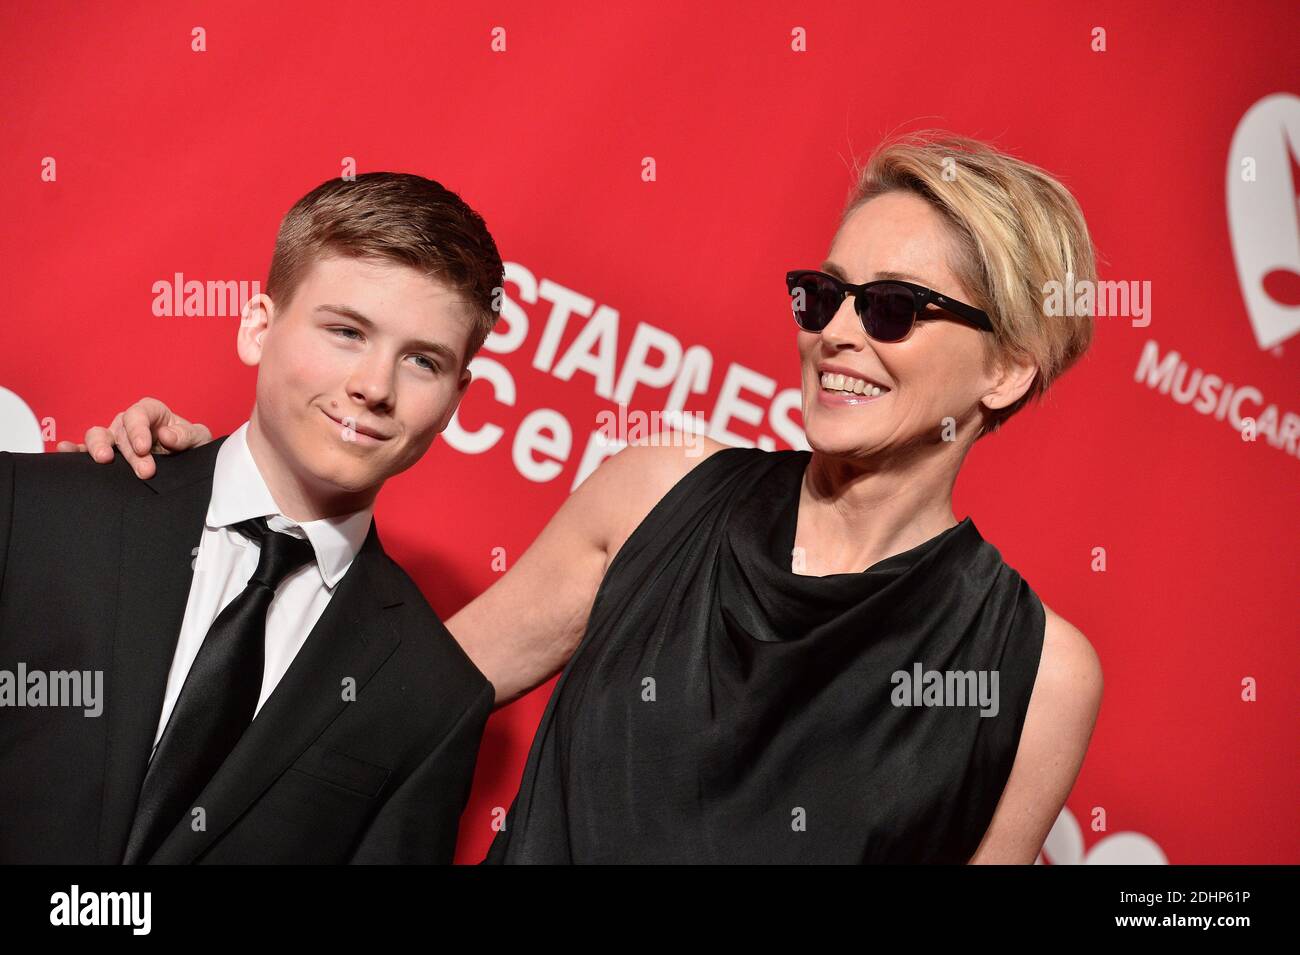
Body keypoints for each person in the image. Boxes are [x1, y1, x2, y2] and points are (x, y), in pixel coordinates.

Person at [68, 130, 1103, 864]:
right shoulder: (659, 496)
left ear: (1006, 369)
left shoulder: (1040, 671)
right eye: (822, 295)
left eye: (890, 310)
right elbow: (369, 714)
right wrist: (210, 502)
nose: (835, 332)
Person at [2, 171, 504, 864]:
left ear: (455, 399)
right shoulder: (39, 510)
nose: (374, 386)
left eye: (422, 360)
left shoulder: (433, 694)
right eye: (346, 331)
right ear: (256, 326)